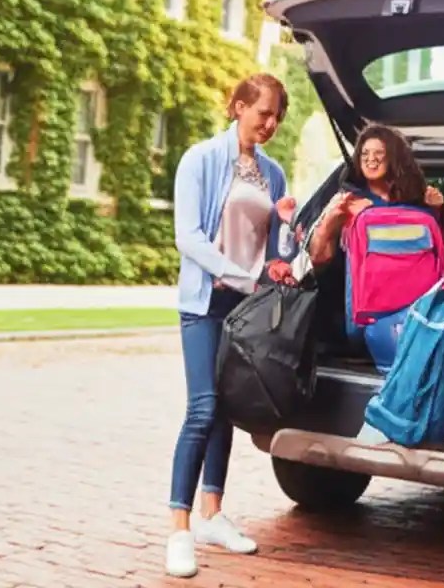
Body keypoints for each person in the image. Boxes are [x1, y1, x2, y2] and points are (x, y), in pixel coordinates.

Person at [165, 73, 297, 578]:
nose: (271, 123)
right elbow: (189, 237)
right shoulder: (200, 159)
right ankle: (179, 529)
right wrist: (243, 277)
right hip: (206, 304)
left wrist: (286, 228)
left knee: (226, 408)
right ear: (238, 106)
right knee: (201, 408)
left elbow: (277, 251)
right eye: (263, 112)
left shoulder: (274, 174)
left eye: (277, 116)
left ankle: (213, 515)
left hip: (244, 311)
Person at [306, 122, 444, 268]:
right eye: (364, 153)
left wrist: (438, 210)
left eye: (379, 153)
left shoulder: (416, 200)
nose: (370, 159)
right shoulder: (348, 200)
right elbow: (318, 257)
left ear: (393, 157)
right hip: (367, 287)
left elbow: (436, 253)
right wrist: (332, 218)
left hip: (414, 286)